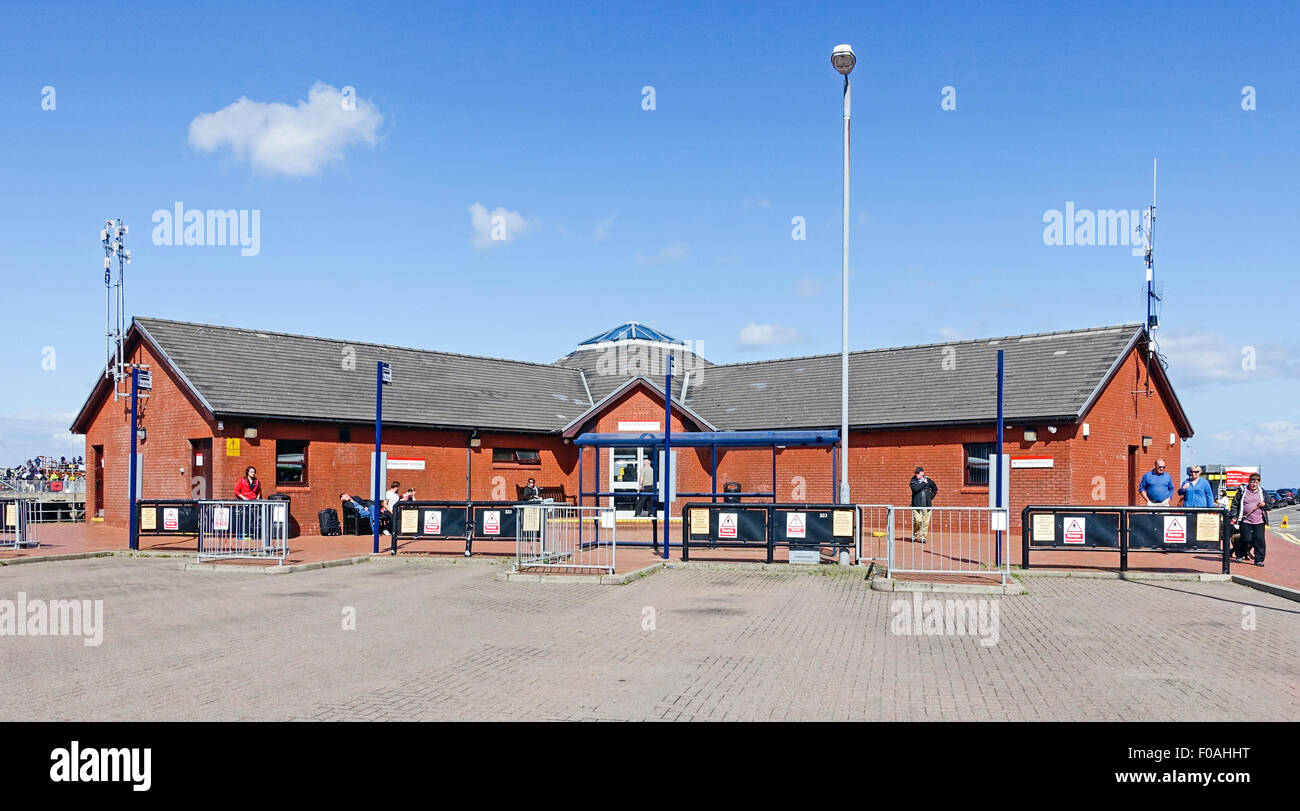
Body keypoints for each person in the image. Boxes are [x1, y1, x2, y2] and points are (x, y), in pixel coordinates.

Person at [1229, 473, 1268, 566]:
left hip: (1259, 520)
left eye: (1256, 482)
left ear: (1259, 482)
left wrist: (1264, 504)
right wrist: (1234, 516)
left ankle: (1259, 560)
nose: (1254, 484)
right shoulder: (1243, 491)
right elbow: (1235, 503)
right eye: (1252, 481)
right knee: (1246, 539)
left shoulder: (1262, 492)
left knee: (1259, 540)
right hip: (1245, 520)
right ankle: (1240, 554)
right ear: (1249, 482)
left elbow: (1269, 504)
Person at [909, 466, 938, 543]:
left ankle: (923, 537)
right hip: (916, 505)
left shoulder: (928, 480)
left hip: (926, 504)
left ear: (922, 473)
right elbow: (916, 489)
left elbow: (935, 488)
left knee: (925, 521)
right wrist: (924, 483)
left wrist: (930, 497)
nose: (917, 474)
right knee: (917, 520)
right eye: (915, 473)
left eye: (918, 473)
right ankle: (914, 535)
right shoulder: (913, 480)